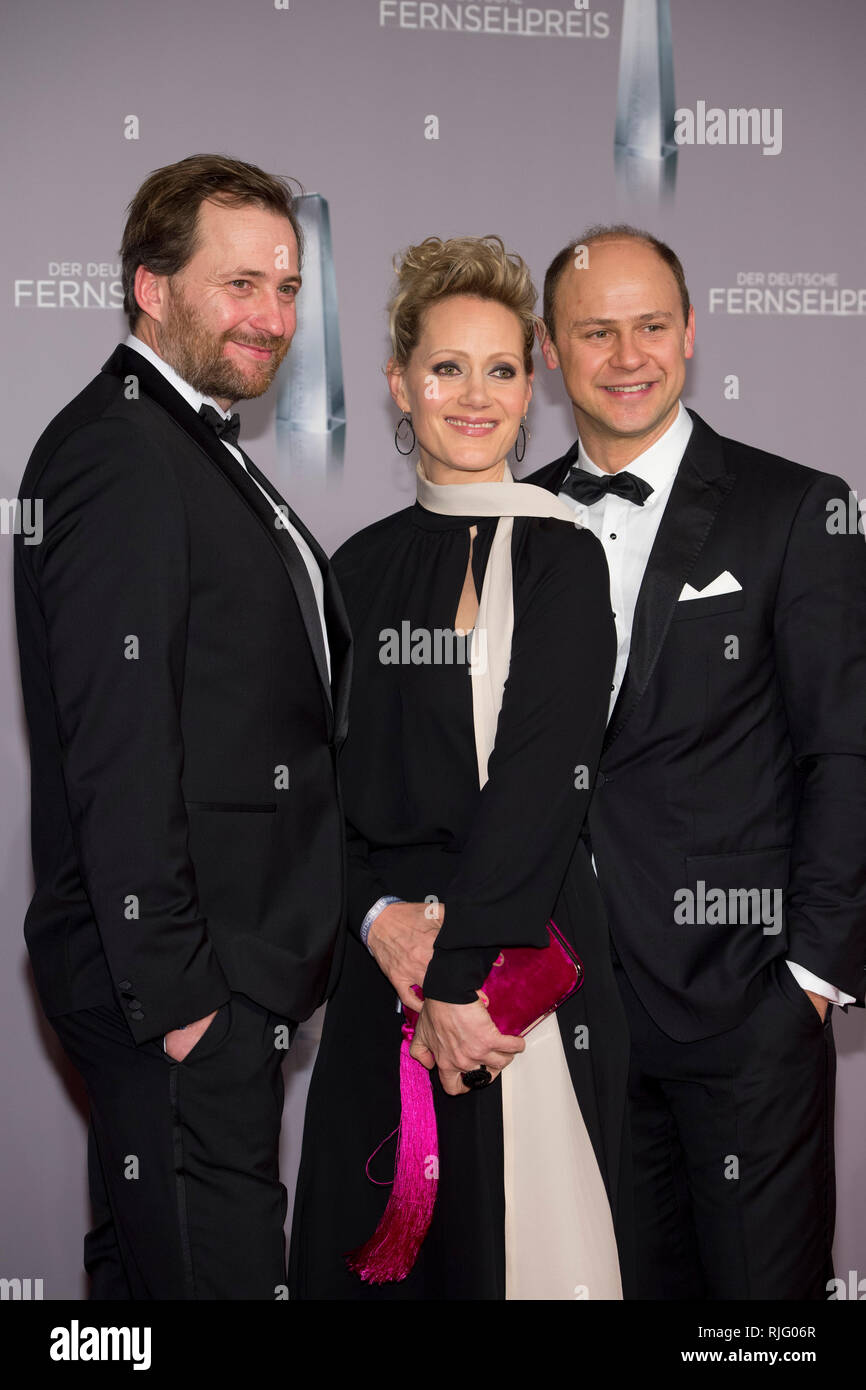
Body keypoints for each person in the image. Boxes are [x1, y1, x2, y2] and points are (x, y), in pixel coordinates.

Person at [13, 153, 352, 1300]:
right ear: (151, 286)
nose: (271, 316)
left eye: (288, 287)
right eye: (239, 284)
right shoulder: (124, 452)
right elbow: (118, 734)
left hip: (211, 975)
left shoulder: (190, 443)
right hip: (181, 984)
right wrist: (181, 1002)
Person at [528, 222, 866, 1300]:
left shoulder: (795, 508)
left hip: (743, 1012)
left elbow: (846, 750)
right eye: (595, 331)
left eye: (650, 327)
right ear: (549, 350)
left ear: (689, 335)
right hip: (564, 1017)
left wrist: (808, 981)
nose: (626, 356)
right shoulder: (512, 520)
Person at [289, 235, 630, 1300]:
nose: (473, 397)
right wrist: (375, 911)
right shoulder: (355, 566)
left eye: (498, 369)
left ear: (532, 385)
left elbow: (540, 784)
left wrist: (451, 982)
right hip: (379, 979)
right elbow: (315, 795)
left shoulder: (564, 552)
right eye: (445, 368)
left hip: (514, 988)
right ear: (398, 382)